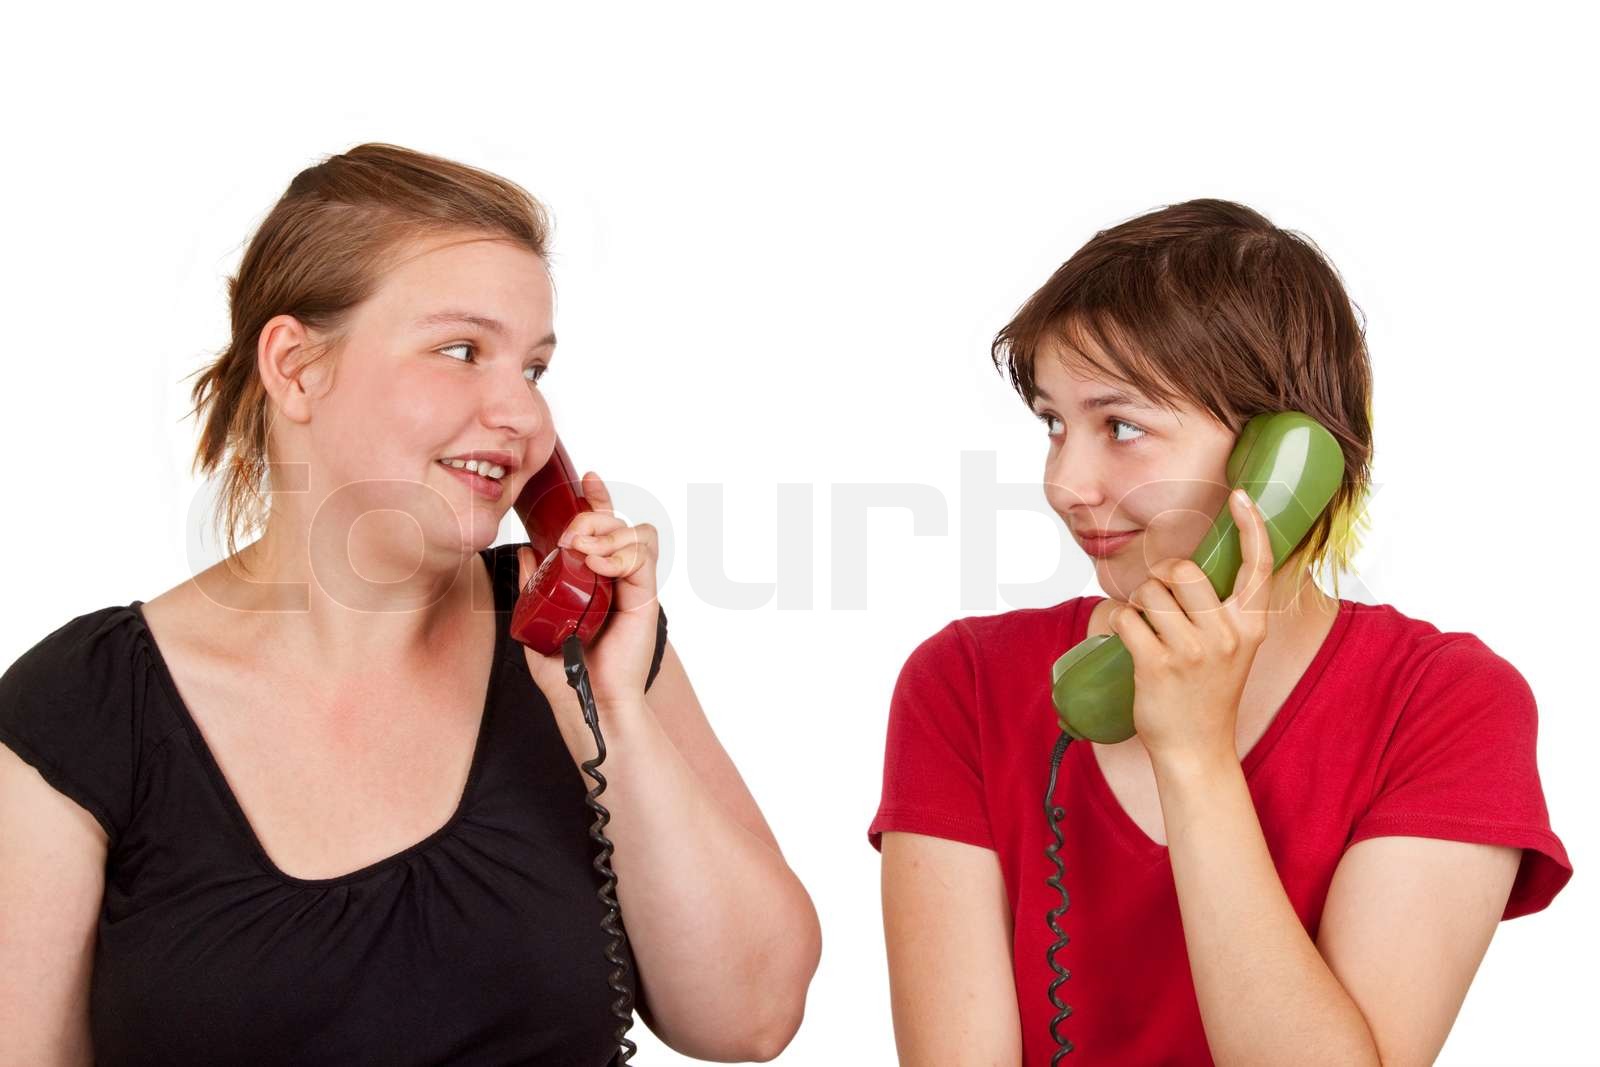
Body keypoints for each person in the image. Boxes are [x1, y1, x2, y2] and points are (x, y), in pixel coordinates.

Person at [0, 143, 821, 1066]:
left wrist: (612, 713)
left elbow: (750, 1019)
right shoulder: (84, 705)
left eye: (535, 369)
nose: (523, 416)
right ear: (298, 366)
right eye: (463, 350)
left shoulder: (586, 647)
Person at [869, 198, 1571, 1066]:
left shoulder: (1446, 703)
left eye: (1121, 426)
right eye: (1055, 423)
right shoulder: (963, 682)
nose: (1065, 482)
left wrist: (1195, 754)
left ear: (1282, 457)